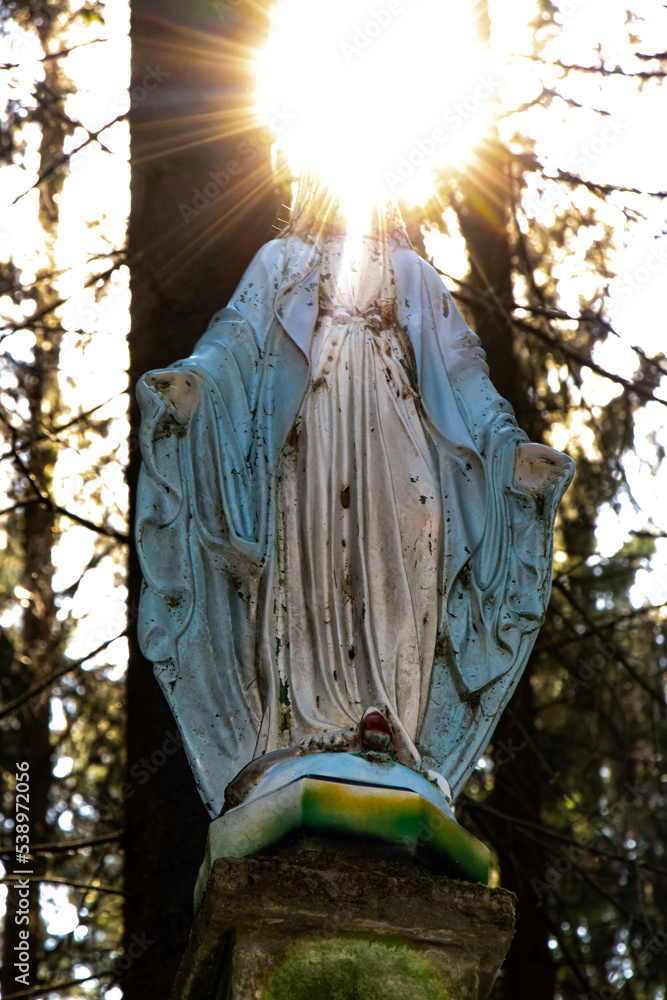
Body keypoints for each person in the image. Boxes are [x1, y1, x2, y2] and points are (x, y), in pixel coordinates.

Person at [136, 180, 574, 819]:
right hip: (310, 427)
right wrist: (196, 384)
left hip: (400, 432)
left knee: (416, 537)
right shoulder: (282, 259)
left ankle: (392, 726)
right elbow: (233, 340)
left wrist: (507, 447)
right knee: (311, 555)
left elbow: (462, 373)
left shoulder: (414, 274)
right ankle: (309, 730)